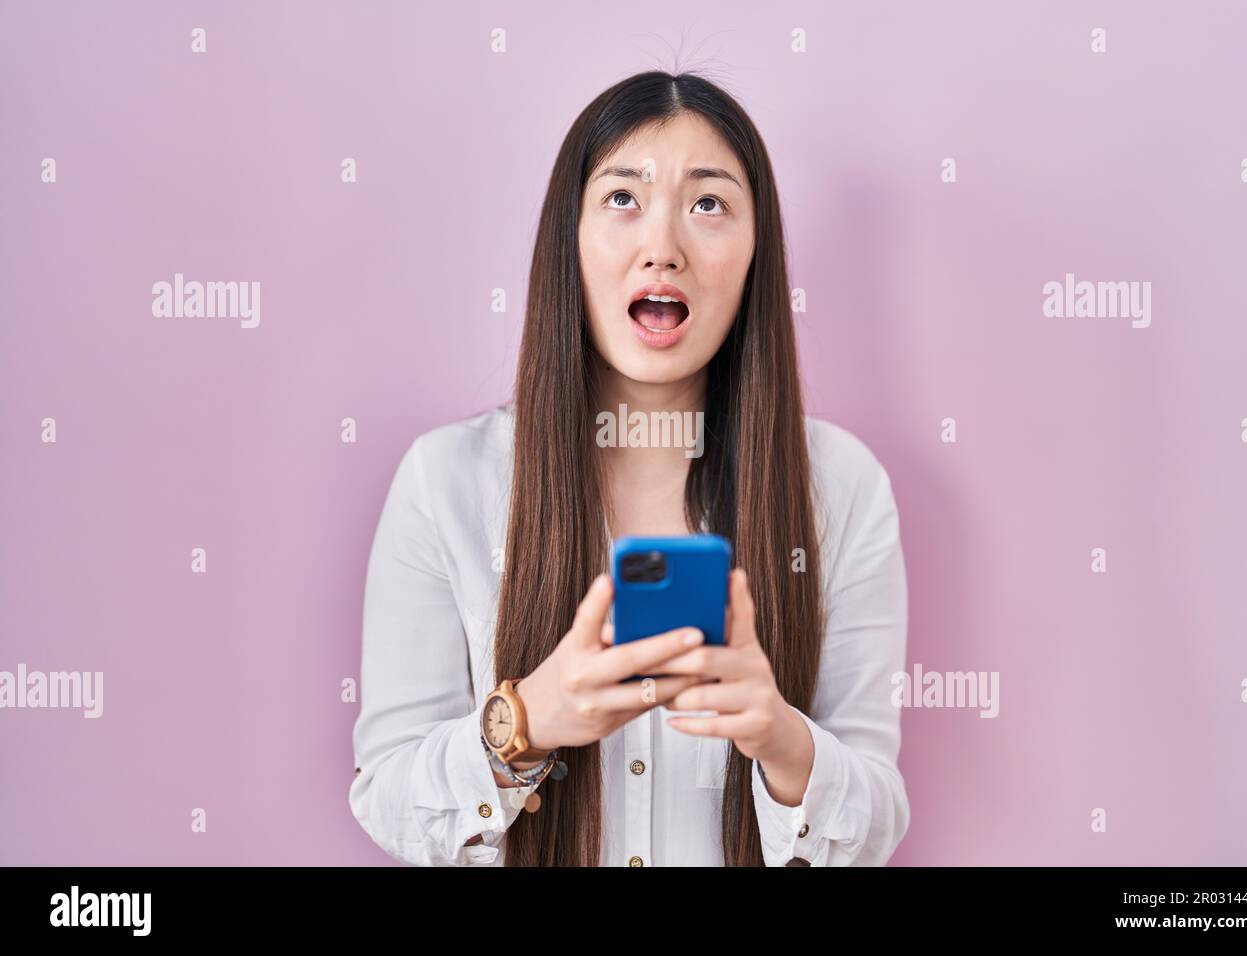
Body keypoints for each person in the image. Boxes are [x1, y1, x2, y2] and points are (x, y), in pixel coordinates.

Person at [348, 70, 910, 866]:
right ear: (569, 240)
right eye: (622, 197)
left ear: (756, 253)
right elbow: (389, 800)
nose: (663, 248)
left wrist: (779, 737)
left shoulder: (843, 488)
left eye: (708, 203)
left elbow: (878, 818)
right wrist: (529, 718)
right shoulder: (444, 482)